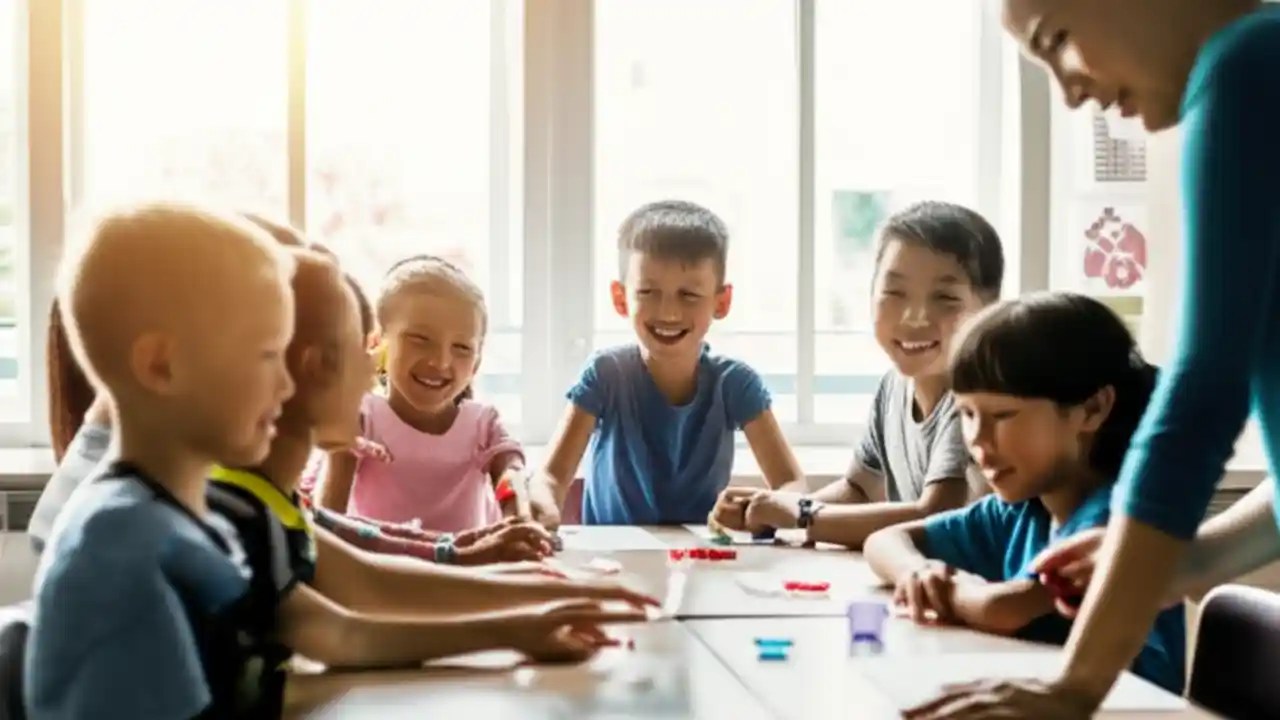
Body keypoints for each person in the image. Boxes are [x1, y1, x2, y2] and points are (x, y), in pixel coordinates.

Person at [905, 1, 1280, 717]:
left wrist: (1076, 683)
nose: (1072, 91)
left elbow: (1200, 402)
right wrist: (1187, 561)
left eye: (1058, 42)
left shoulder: (1248, 68)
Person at [26, 203, 297, 719]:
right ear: (161, 365)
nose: (286, 384)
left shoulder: (181, 519)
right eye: (266, 355)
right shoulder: (121, 545)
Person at [864, 292, 1183, 693]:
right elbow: (886, 541)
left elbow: (1002, 609)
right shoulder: (1022, 510)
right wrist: (918, 571)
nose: (978, 440)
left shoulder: (1115, 521)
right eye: (967, 414)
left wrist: (948, 589)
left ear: (1092, 409)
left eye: (1002, 415)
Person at [711, 201, 1002, 547]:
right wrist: (768, 512)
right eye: (894, 292)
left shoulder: (973, 399)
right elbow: (859, 489)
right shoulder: (894, 385)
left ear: (989, 309)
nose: (914, 317)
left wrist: (803, 514)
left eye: (945, 297)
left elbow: (936, 516)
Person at [525, 200, 806, 527]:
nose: (669, 313)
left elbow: (792, 485)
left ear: (722, 301)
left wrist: (765, 506)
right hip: (612, 566)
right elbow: (551, 477)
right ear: (620, 297)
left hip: (703, 563)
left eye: (688, 295)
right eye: (647, 292)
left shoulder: (735, 383)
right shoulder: (605, 375)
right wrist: (540, 506)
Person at [315, 255, 530, 536]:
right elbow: (327, 524)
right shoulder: (361, 418)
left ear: (476, 363)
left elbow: (511, 475)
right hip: (379, 575)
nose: (441, 361)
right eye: (419, 340)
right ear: (377, 342)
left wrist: (519, 518)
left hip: (465, 578)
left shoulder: (483, 424)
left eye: (461, 348)